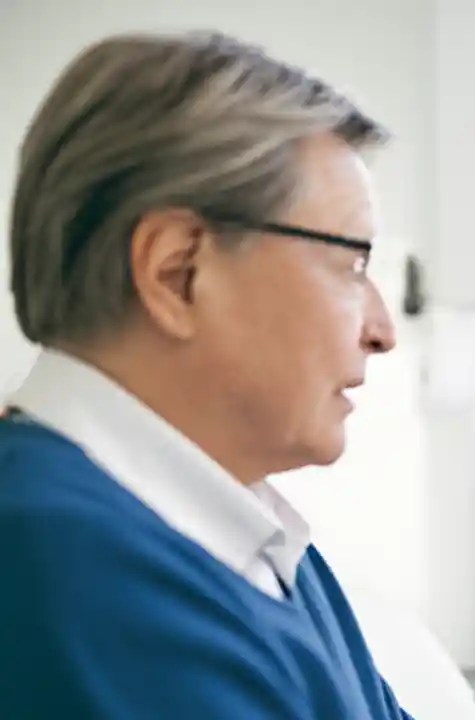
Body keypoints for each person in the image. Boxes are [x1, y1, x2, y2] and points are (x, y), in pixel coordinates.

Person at [0, 31, 414, 718]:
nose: (382, 331)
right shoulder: (61, 561)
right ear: (177, 273)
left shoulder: (262, 546)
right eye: (352, 267)